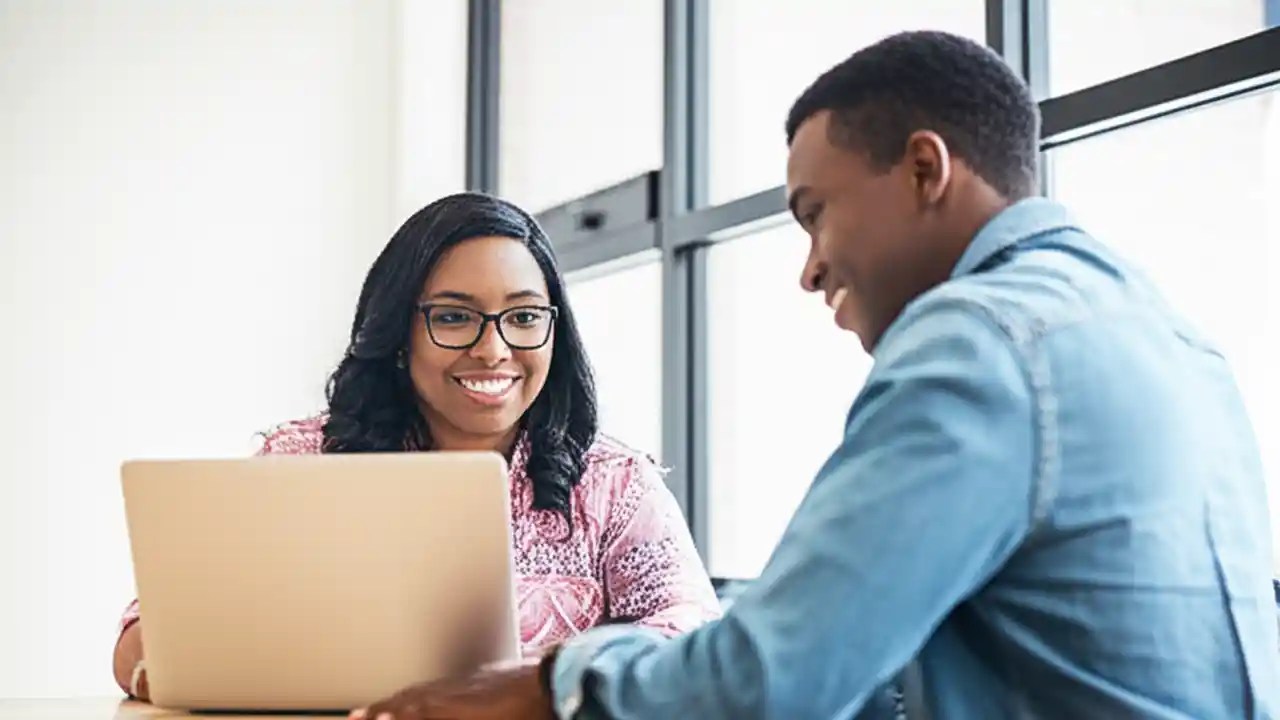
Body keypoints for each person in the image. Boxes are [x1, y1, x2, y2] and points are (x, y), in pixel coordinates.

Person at [350, 30, 1280, 720]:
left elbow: (774, 681)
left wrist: (547, 687)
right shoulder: (1165, 333)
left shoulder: (978, 342)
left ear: (925, 170)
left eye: (816, 212)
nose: (810, 266)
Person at [111, 193, 720, 702]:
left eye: (524, 316)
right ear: (399, 332)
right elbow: (145, 644)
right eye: (455, 318)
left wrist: (539, 687)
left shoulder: (613, 484)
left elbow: (694, 650)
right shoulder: (302, 463)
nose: (493, 349)